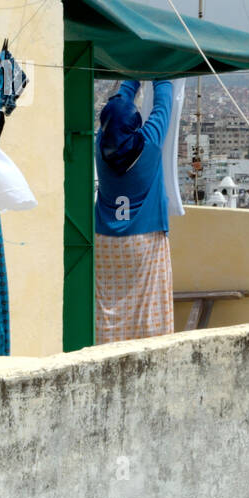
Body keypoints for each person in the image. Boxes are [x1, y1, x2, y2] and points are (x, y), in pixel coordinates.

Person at [94, 78, 174, 343]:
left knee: (109, 309)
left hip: (105, 240)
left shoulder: (99, 145)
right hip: (144, 237)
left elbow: (117, 108)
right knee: (150, 308)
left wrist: (130, 79)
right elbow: (163, 106)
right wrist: (160, 73)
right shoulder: (148, 143)